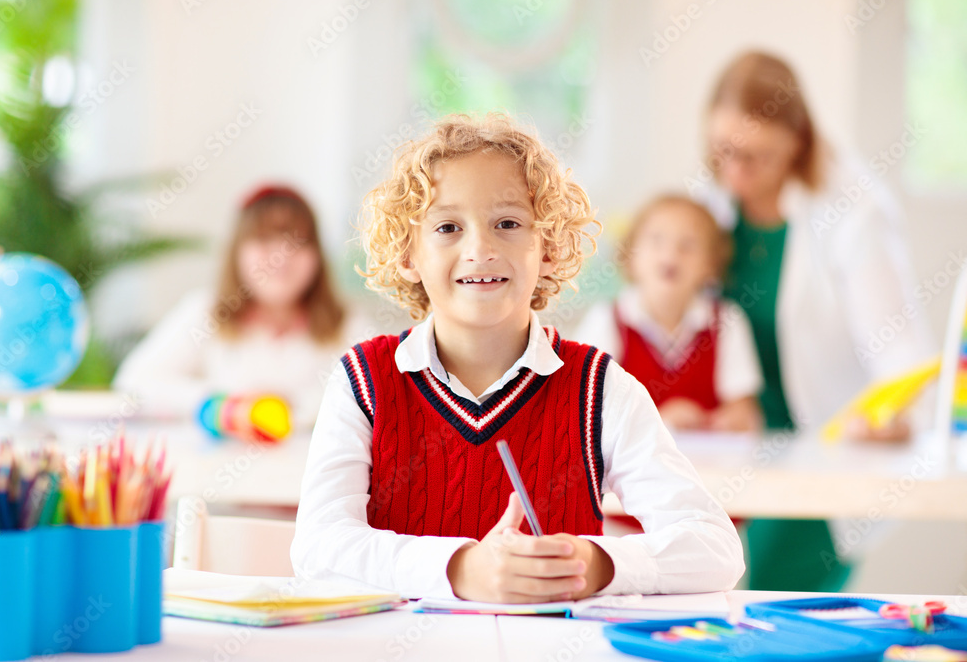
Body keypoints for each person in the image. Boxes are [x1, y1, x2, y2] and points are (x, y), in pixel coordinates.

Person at [292, 114, 744, 601]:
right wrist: (463, 570)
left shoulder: (600, 388)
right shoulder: (363, 382)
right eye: (447, 227)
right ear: (408, 254)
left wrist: (597, 563)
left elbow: (716, 548)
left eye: (507, 223)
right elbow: (318, 549)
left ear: (546, 247)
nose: (480, 249)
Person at [691, 51, 935, 591]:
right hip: (727, 449)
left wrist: (892, 413)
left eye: (756, 157)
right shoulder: (707, 205)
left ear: (796, 143)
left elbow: (900, 348)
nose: (736, 172)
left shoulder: (854, 211)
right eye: (723, 152)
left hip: (818, 450)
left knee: (775, 617)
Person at [114, 185, 364, 428]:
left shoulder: (347, 324)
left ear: (317, 255)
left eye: (297, 242)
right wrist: (226, 405)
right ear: (237, 252)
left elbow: (380, 397)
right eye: (264, 239)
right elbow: (134, 383)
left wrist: (297, 406)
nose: (281, 255)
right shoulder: (204, 313)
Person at [574, 194, 763, 432]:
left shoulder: (727, 321)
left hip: (710, 465)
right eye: (656, 240)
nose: (671, 254)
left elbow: (744, 412)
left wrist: (721, 422)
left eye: (688, 245)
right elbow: (584, 411)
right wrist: (660, 421)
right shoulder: (606, 320)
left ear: (711, 265)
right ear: (631, 257)